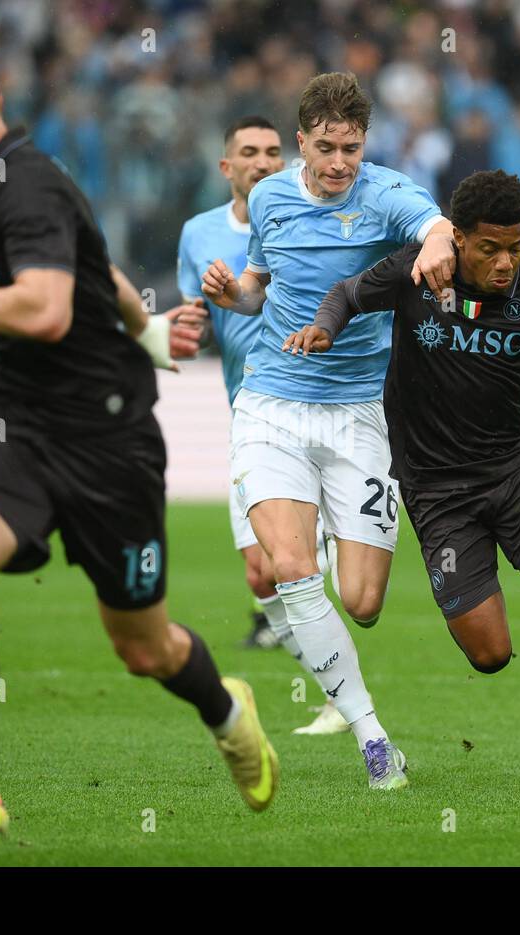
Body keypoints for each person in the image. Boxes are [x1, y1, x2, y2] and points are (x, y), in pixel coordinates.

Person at [0, 33, 279, 853]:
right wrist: (148, 328)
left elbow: (49, 308)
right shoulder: (1, 180)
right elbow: (99, 269)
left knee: (142, 647)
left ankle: (228, 713)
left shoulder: (25, 187)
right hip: (18, 425)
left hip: (108, 438)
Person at [283, 169, 520, 793]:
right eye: (491, 248)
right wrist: (326, 327)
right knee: (489, 655)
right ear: (457, 239)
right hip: (436, 494)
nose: (507, 262)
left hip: (514, 474)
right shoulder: (418, 273)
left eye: (517, 246)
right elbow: (347, 293)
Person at [201, 72, 457, 789]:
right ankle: (373, 738)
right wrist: (237, 295)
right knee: (289, 567)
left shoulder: (386, 193)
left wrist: (438, 246)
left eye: (351, 147)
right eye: (326, 147)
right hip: (272, 405)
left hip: (359, 414)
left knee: (364, 602)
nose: (340, 162)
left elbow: (436, 227)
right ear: (301, 141)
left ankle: (355, 693)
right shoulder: (273, 196)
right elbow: (260, 288)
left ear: (364, 142)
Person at [176, 115, 349, 734]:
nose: (262, 161)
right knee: (260, 573)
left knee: (297, 563)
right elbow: (195, 320)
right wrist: (183, 328)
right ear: (227, 167)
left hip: (318, 410)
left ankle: (343, 697)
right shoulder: (198, 233)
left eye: (273, 151)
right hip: (247, 415)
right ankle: (334, 687)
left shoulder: (314, 219)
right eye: (248, 152)